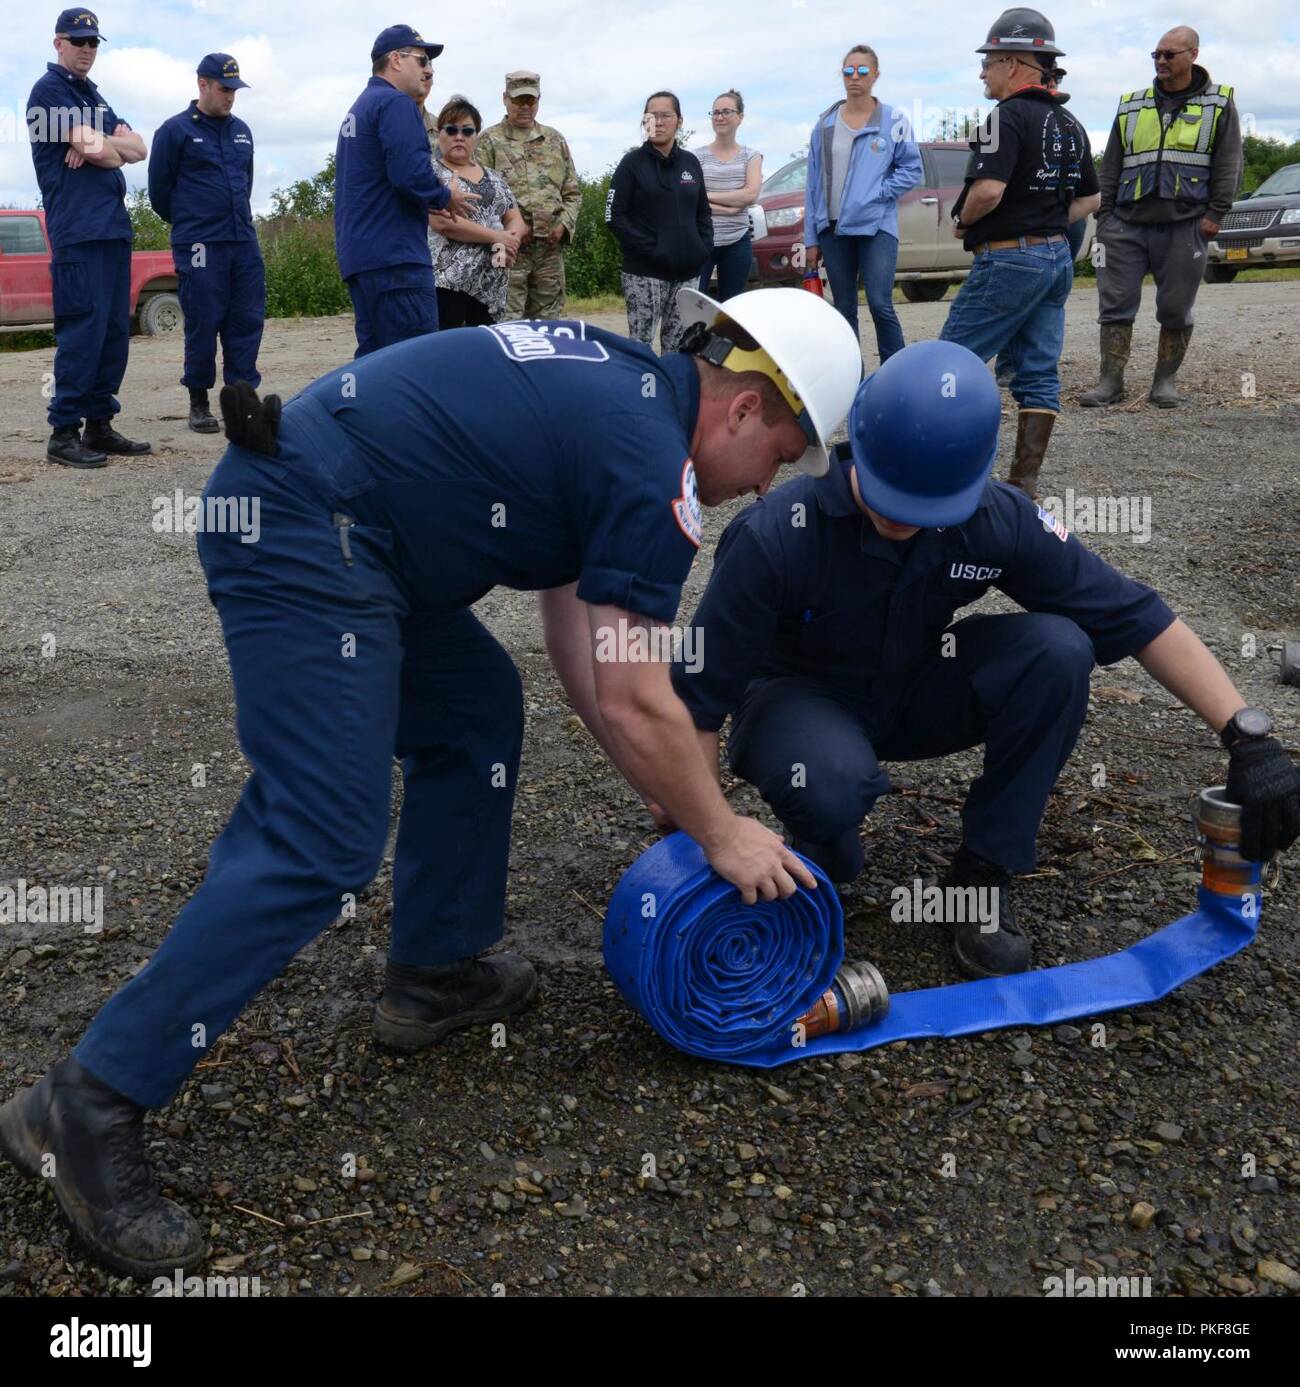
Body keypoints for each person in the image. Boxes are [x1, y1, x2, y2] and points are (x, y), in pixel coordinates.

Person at [0, 287, 864, 1280]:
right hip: (307, 529)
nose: (768, 486)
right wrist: (721, 833)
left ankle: (436, 967)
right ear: (745, 408)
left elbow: (583, 654)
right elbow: (633, 692)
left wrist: (673, 799)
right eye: (782, 455)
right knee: (322, 837)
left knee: (474, 708)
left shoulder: (622, 396)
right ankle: (85, 1099)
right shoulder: (648, 462)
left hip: (344, 528)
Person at [668, 339, 1300, 982]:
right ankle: (822, 858)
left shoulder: (996, 517)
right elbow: (699, 697)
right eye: (890, 502)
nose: (904, 523)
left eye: (924, 512)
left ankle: (983, 870)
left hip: (912, 688)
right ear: (856, 443)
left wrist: (1247, 737)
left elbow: (1137, 617)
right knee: (830, 786)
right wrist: (702, 839)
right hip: (796, 702)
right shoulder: (777, 534)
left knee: (1058, 650)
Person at [939, 8, 1099, 500]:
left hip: (1010, 258)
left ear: (1011, 62)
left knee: (948, 366)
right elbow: (1091, 200)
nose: (983, 72)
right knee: (1038, 374)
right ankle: (1023, 483)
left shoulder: (1002, 117)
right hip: (1055, 261)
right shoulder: (1070, 123)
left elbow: (987, 191)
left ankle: (943, 471)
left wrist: (962, 220)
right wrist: (1048, 222)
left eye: (988, 62)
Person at [1082, 27, 1241, 409]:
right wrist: (1104, 216)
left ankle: (1164, 382)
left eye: (1170, 54)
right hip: (1125, 223)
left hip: (1186, 223)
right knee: (1115, 304)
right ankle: (1110, 382)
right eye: (1156, 55)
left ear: (1193, 54)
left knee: (1175, 306)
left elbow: (1229, 161)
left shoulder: (1219, 103)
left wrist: (1215, 213)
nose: (1161, 61)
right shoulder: (1132, 104)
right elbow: (1111, 164)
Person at [26, 8, 151, 468]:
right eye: (78, 41)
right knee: (83, 330)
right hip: (78, 232)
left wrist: (99, 143)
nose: (86, 49)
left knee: (115, 331)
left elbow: (138, 148)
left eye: (94, 42)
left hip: (113, 230)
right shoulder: (47, 92)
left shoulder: (93, 96)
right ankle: (64, 432)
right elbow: (112, 152)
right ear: (58, 42)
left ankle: (100, 423)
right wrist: (105, 146)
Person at [333, 25, 479, 357]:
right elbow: (409, 174)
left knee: (375, 363)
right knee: (415, 361)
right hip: (396, 259)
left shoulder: (360, 108)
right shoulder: (395, 104)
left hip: (364, 258)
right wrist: (446, 197)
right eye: (422, 59)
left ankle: (369, 411)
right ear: (396, 60)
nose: (428, 69)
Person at [149, 54, 264, 434]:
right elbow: (159, 194)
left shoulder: (244, 130)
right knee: (203, 322)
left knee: (246, 320)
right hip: (200, 244)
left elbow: (245, 185)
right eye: (223, 88)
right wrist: (194, 224)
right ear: (202, 84)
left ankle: (241, 399)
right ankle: (198, 402)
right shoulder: (175, 131)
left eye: (234, 89)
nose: (230, 96)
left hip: (242, 240)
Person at [803, 45, 923, 363]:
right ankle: (849, 377)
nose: (854, 77)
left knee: (880, 302)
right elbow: (813, 183)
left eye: (862, 70)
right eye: (848, 70)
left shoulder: (894, 119)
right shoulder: (825, 124)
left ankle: (896, 376)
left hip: (877, 226)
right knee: (843, 306)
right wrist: (811, 238)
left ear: (876, 75)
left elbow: (912, 169)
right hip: (833, 229)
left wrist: (877, 194)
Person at [995, 63, 1087, 387]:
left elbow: (1091, 188)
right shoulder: (1007, 117)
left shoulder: (1068, 123)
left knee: (1051, 297)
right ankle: (1008, 366)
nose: (1052, 84)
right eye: (1048, 78)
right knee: (1017, 292)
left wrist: (1060, 218)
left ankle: (1040, 368)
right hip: (1024, 222)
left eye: (1057, 78)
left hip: (1066, 217)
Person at [605, 91, 712, 352]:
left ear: (679, 121)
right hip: (644, 273)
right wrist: (653, 248)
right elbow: (613, 216)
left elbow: (703, 213)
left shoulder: (690, 162)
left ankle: (673, 392)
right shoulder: (631, 164)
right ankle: (641, 393)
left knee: (679, 347)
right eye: (651, 117)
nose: (658, 122)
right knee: (640, 346)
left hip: (687, 275)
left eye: (666, 115)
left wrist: (702, 248)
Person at [477, 70, 582, 319]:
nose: (525, 107)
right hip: (508, 250)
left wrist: (564, 225)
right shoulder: (488, 141)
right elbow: (479, 196)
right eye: (518, 100)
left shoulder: (555, 140)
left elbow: (573, 193)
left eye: (531, 100)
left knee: (548, 327)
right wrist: (506, 232)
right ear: (505, 98)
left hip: (549, 252)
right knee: (505, 323)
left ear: (539, 99)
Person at [425, 97, 527, 326]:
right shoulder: (430, 173)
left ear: (476, 136)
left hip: (491, 286)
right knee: (448, 352)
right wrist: (495, 237)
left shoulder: (494, 177)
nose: (459, 136)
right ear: (439, 134)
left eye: (467, 131)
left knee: (484, 353)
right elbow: (442, 223)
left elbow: (514, 217)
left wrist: (508, 243)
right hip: (446, 285)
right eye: (451, 130)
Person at [693, 90, 762, 300]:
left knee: (732, 308)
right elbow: (692, 200)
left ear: (740, 117)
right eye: (715, 113)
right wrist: (730, 207)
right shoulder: (696, 157)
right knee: (695, 303)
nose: (720, 117)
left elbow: (751, 195)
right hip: (701, 241)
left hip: (737, 242)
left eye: (726, 112)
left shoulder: (751, 156)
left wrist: (706, 195)